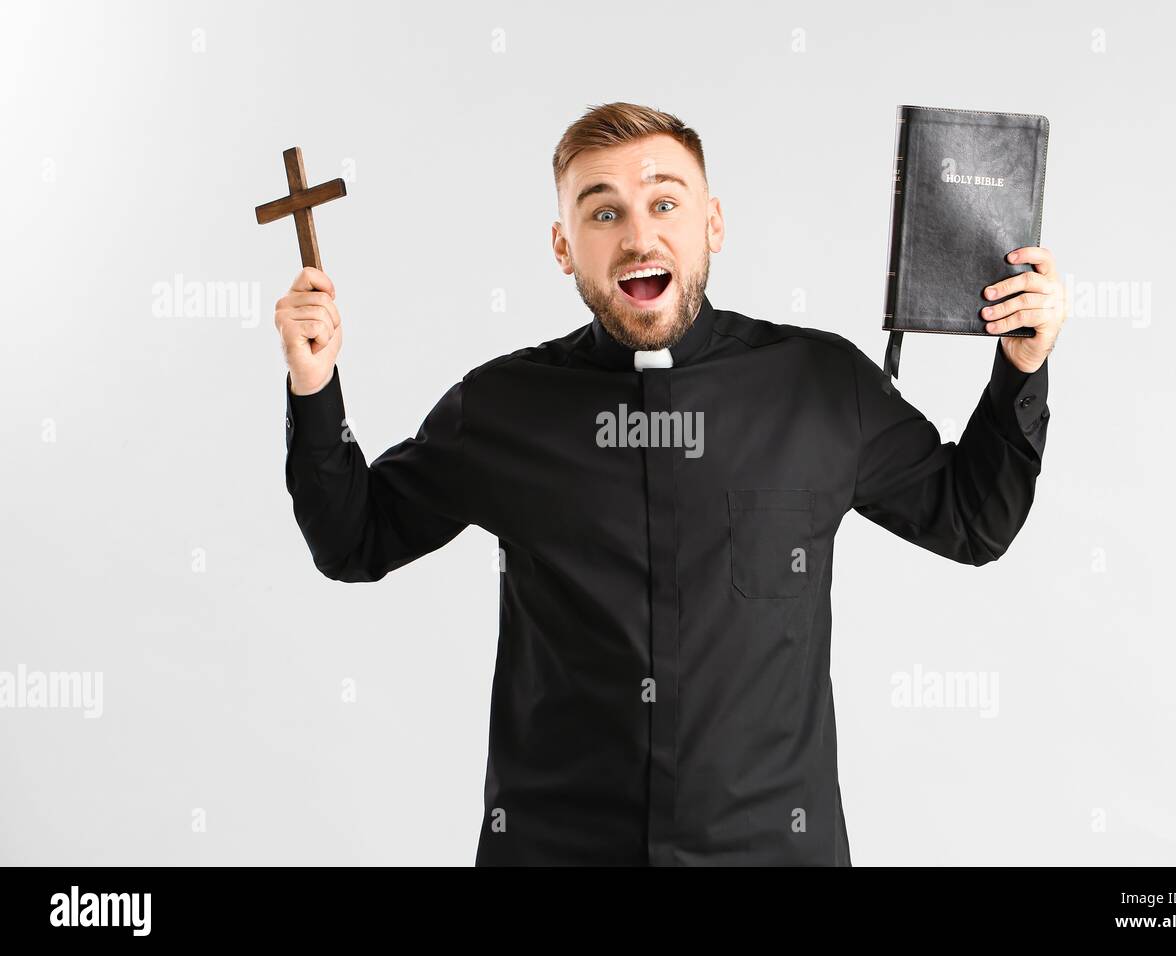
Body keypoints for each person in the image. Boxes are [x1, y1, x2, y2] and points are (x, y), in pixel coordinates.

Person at [275, 102, 1066, 865]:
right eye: (604, 212)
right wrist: (315, 390)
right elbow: (355, 538)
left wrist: (1021, 372)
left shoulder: (822, 386)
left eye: (664, 203)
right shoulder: (500, 407)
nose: (638, 234)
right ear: (563, 246)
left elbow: (972, 521)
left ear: (712, 224)